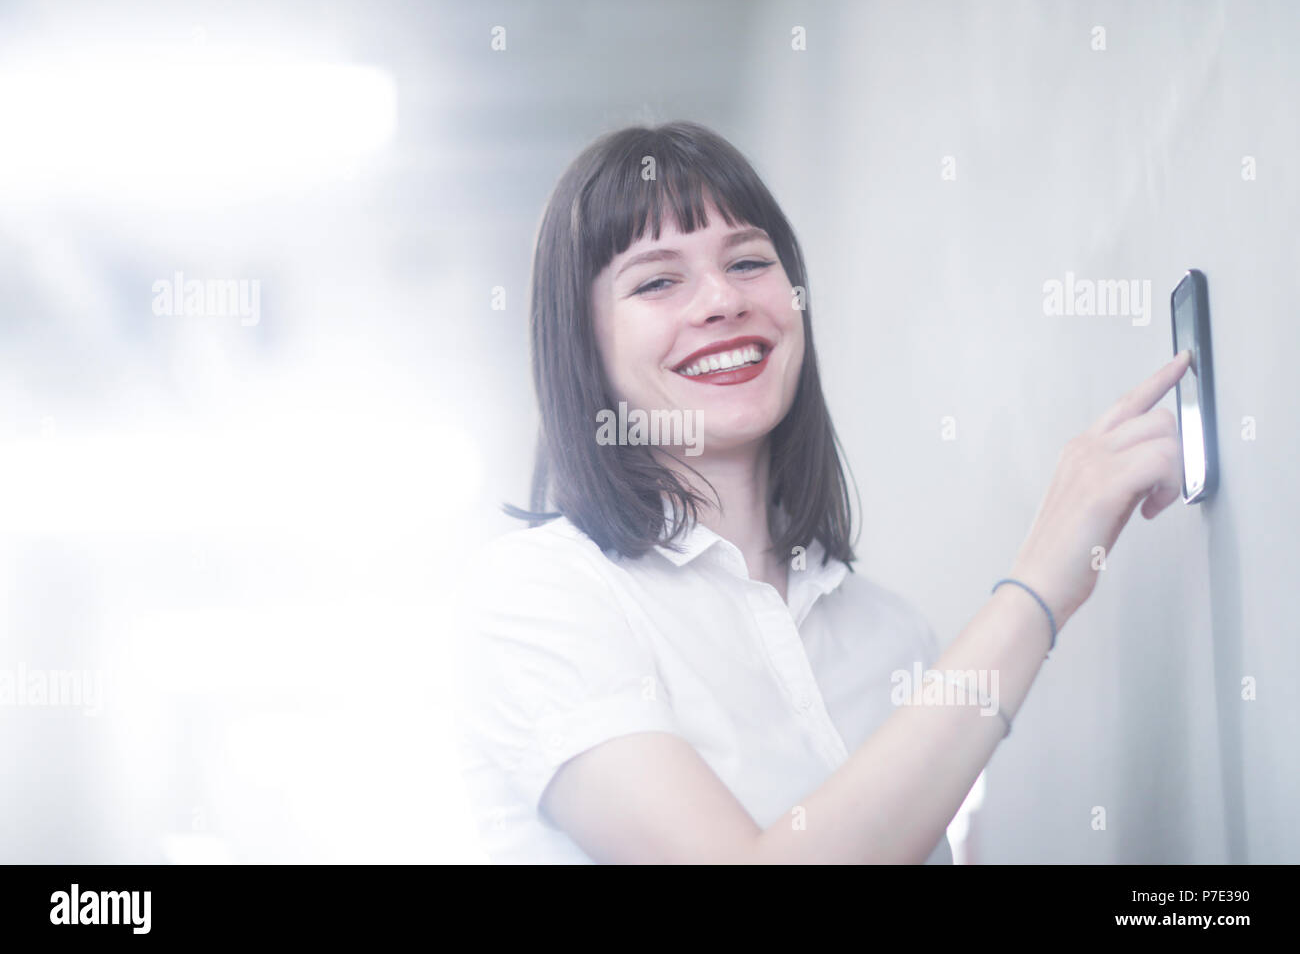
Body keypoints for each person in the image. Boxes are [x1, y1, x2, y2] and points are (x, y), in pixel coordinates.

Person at [453, 120, 1192, 864]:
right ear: (584, 348)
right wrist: (1038, 586)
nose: (721, 300)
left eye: (748, 262)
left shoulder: (893, 636)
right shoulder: (540, 595)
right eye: (656, 280)